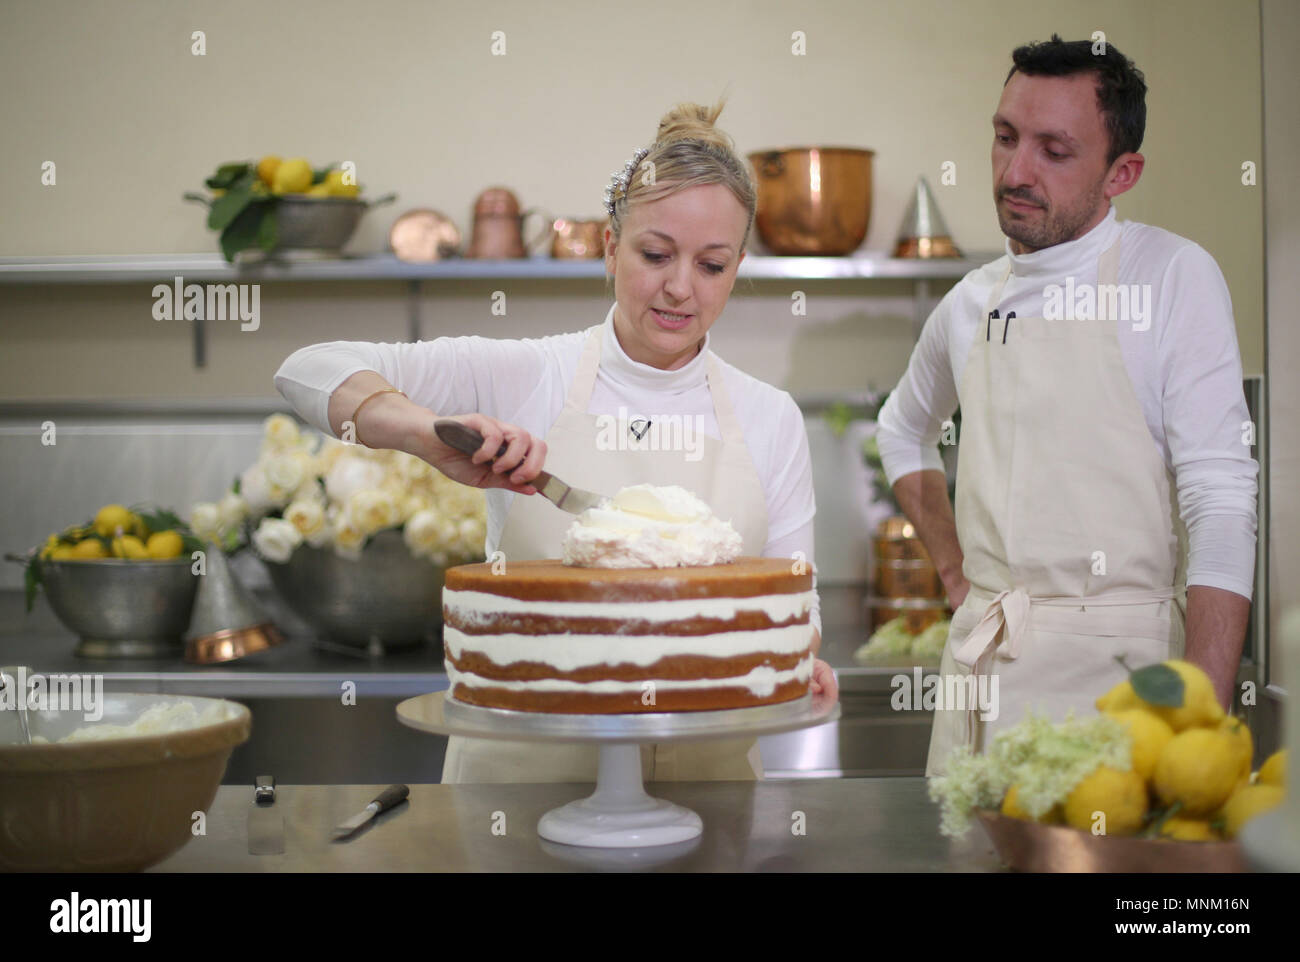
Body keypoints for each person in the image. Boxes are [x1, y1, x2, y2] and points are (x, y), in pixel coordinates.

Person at [274, 99, 838, 784]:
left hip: (708, 797)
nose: (680, 288)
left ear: (738, 267)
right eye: (655, 254)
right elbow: (305, 371)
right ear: (609, 246)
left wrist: (801, 661)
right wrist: (427, 435)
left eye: (712, 265)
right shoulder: (524, 375)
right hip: (519, 790)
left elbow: (794, 610)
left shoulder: (769, 417)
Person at [875, 36, 1258, 775]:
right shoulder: (968, 305)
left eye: (1055, 150)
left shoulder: (1173, 276)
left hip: (1124, 687)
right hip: (979, 674)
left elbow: (1220, 500)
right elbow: (902, 431)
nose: (1016, 172)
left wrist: (1204, 717)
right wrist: (957, 574)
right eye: (1005, 137)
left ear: (1122, 173)